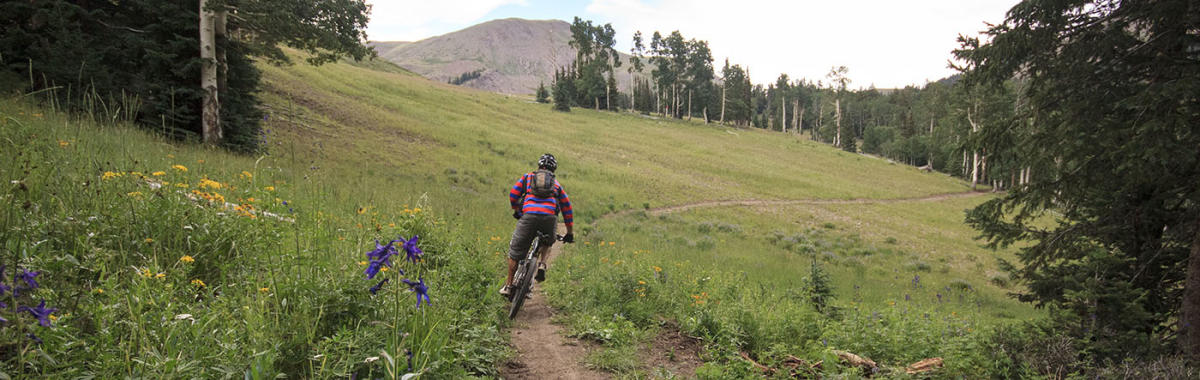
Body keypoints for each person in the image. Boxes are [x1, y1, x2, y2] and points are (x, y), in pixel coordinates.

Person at [500, 153, 574, 296]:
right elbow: (567, 209)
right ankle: (542, 264)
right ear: (554, 170)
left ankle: (508, 286)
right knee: (547, 241)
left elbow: (513, 194)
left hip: (528, 216)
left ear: (539, 166)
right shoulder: (557, 185)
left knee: (515, 254)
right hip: (549, 219)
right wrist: (569, 233)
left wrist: (516, 210)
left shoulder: (527, 178)